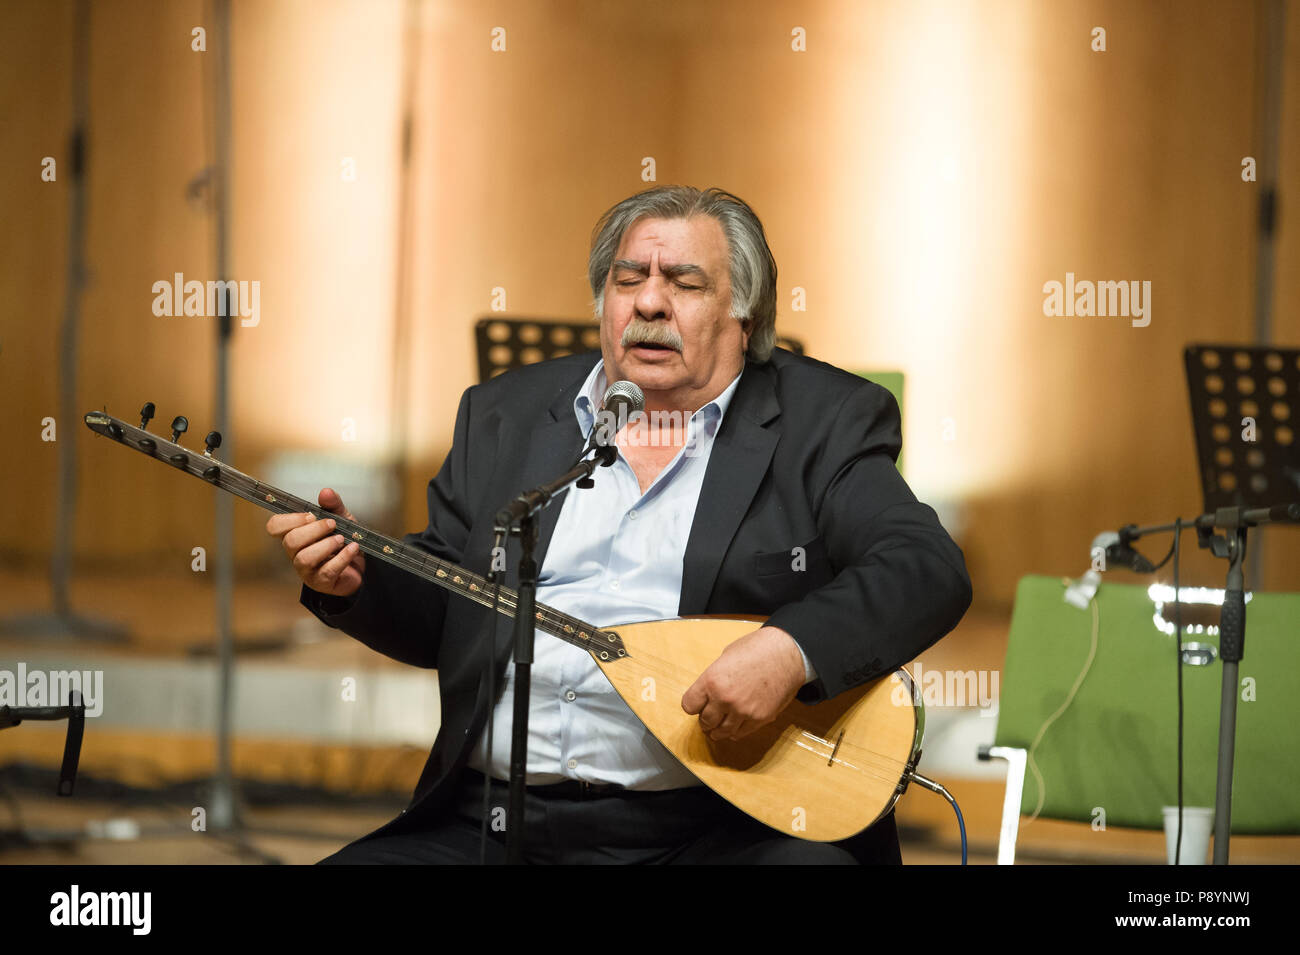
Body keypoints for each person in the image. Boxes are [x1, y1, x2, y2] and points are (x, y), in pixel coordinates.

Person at [266, 185, 972, 864]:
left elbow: (923, 566)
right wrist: (356, 582)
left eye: (687, 283)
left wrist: (790, 650)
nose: (650, 302)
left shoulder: (823, 420)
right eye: (628, 277)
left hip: (718, 828)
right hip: (490, 820)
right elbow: (452, 612)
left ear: (745, 316)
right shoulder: (504, 414)